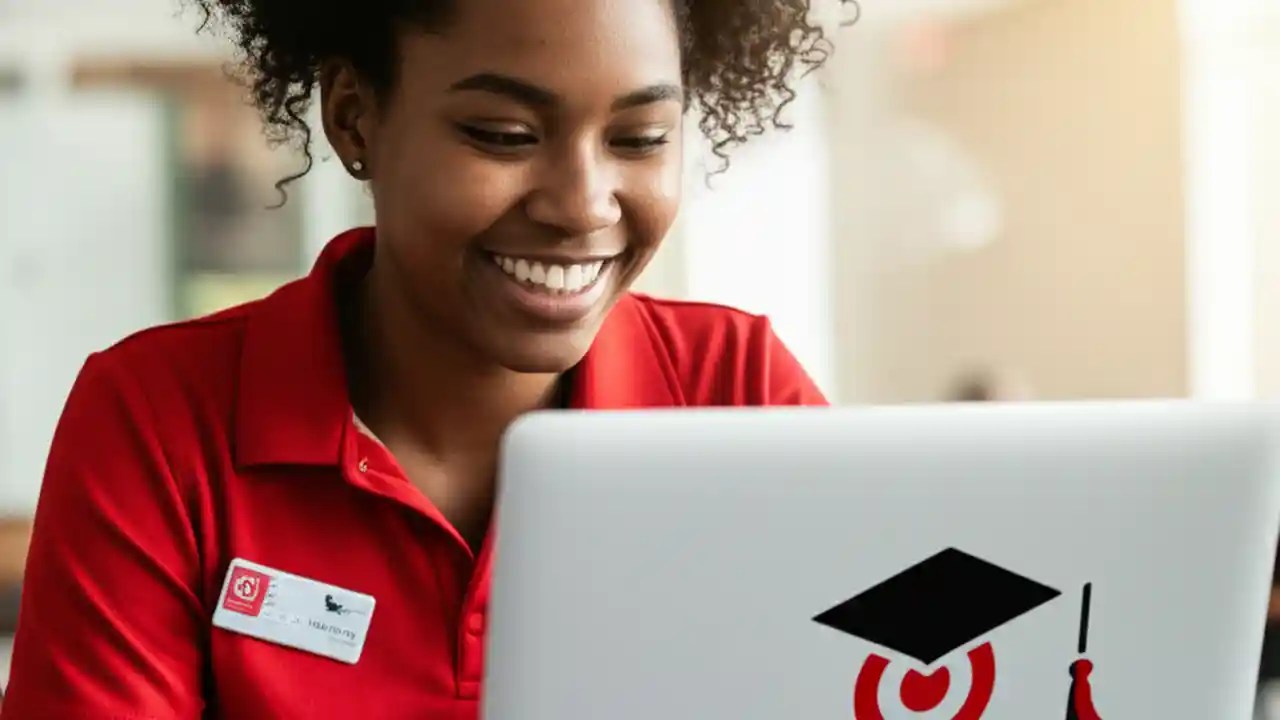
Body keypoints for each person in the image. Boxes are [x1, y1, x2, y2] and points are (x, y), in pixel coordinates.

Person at [0, 0, 838, 717]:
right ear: (355, 117)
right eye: (504, 135)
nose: (583, 205)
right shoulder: (159, 419)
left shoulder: (738, 390)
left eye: (641, 136)